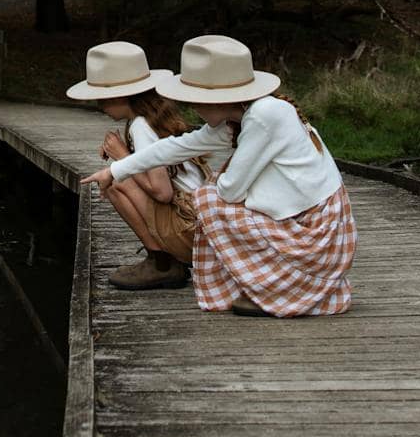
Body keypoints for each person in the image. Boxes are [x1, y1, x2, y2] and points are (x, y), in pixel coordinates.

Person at [82, 35, 355, 316]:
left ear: (217, 99)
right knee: (213, 196)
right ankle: (274, 285)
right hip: (304, 219)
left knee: (213, 201)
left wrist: (217, 179)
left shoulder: (264, 116)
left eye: (196, 100)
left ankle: (283, 290)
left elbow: (231, 190)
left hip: (317, 232)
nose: (193, 109)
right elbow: (178, 146)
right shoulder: (244, 116)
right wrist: (114, 170)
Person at [66, 41, 225, 290]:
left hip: (190, 227)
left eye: (102, 100)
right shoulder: (151, 117)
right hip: (200, 221)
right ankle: (163, 260)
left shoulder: (141, 126)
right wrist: (127, 155)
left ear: (119, 95)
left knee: (116, 184)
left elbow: (163, 192)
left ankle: (161, 263)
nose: (100, 106)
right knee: (120, 178)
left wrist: (123, 159)